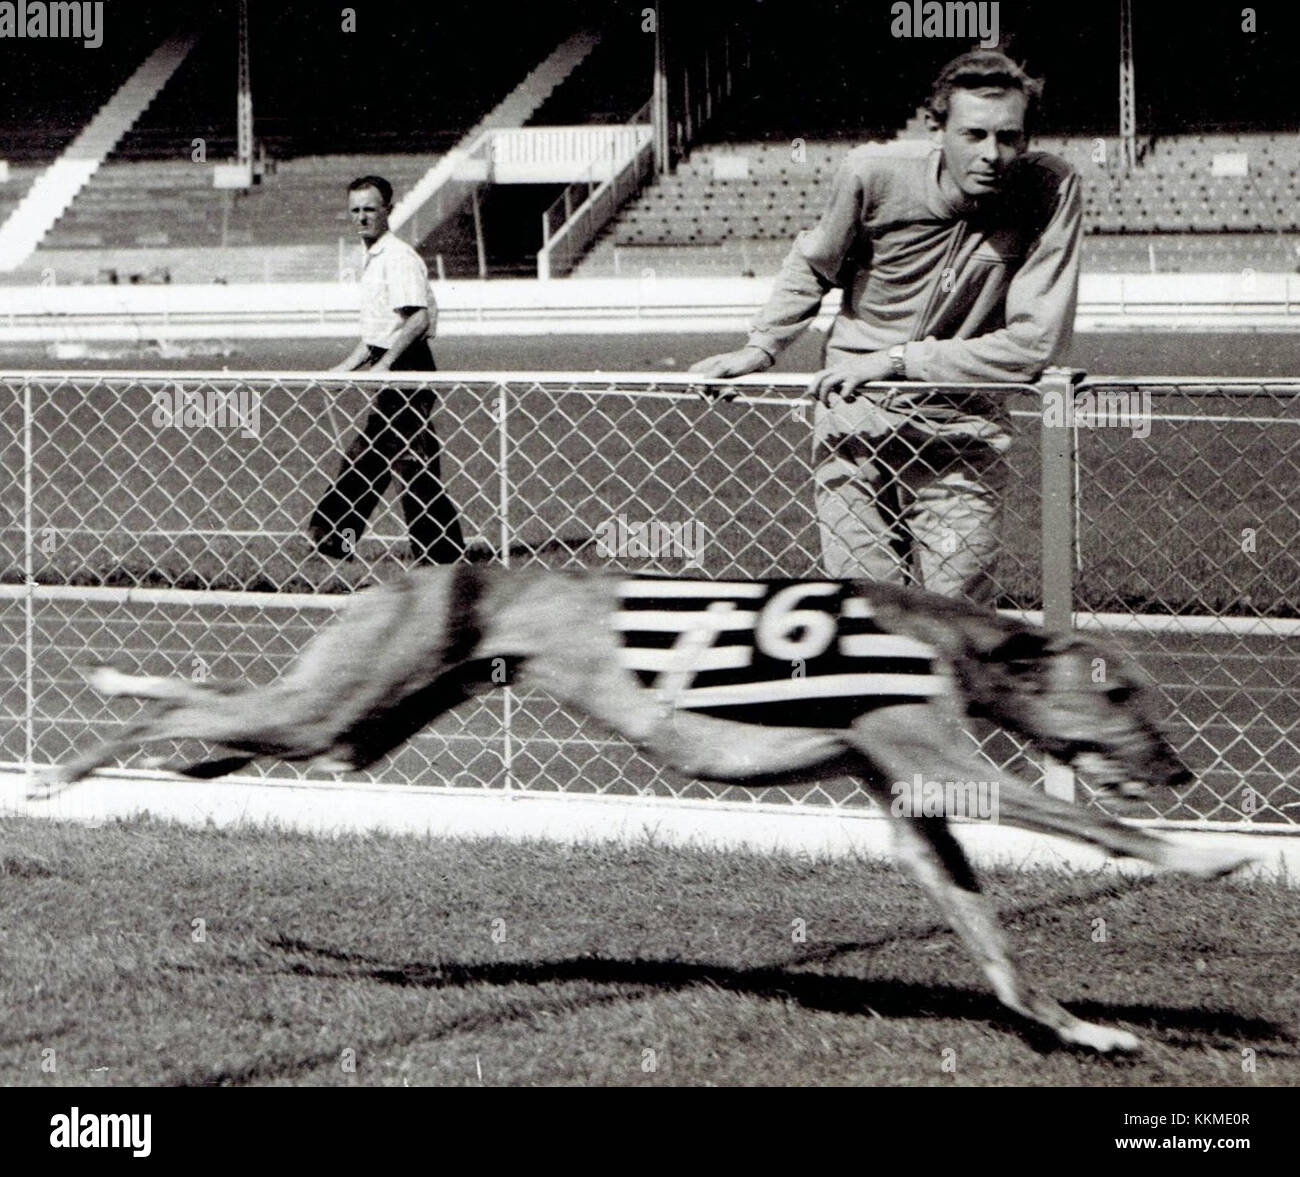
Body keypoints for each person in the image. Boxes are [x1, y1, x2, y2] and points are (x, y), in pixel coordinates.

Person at [691, 50, 1082, 602]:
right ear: (935, 127)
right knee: (867, 609)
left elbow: (1035, 342)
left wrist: (901, 360)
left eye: (1009, 137)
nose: (992, 155)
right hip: (855, 419)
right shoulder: (873, 173)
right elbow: (814, 263)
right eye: (973, 134)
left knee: (957, 616)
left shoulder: (1049, 189)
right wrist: (763, 346)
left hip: (959, 429)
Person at [309, 175, 466, 564]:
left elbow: (417, 320)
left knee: (394, 461)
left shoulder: (397, 258)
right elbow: (377, 334)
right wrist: (345, 369)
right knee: (392, 459)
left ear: (388, 212)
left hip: (410, 369)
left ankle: (336, 537)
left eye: (370, 209)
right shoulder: (373, 258)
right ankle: (438, 550)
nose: (362, 217)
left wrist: (385, 365)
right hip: (395, 365)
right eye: (356, 210)